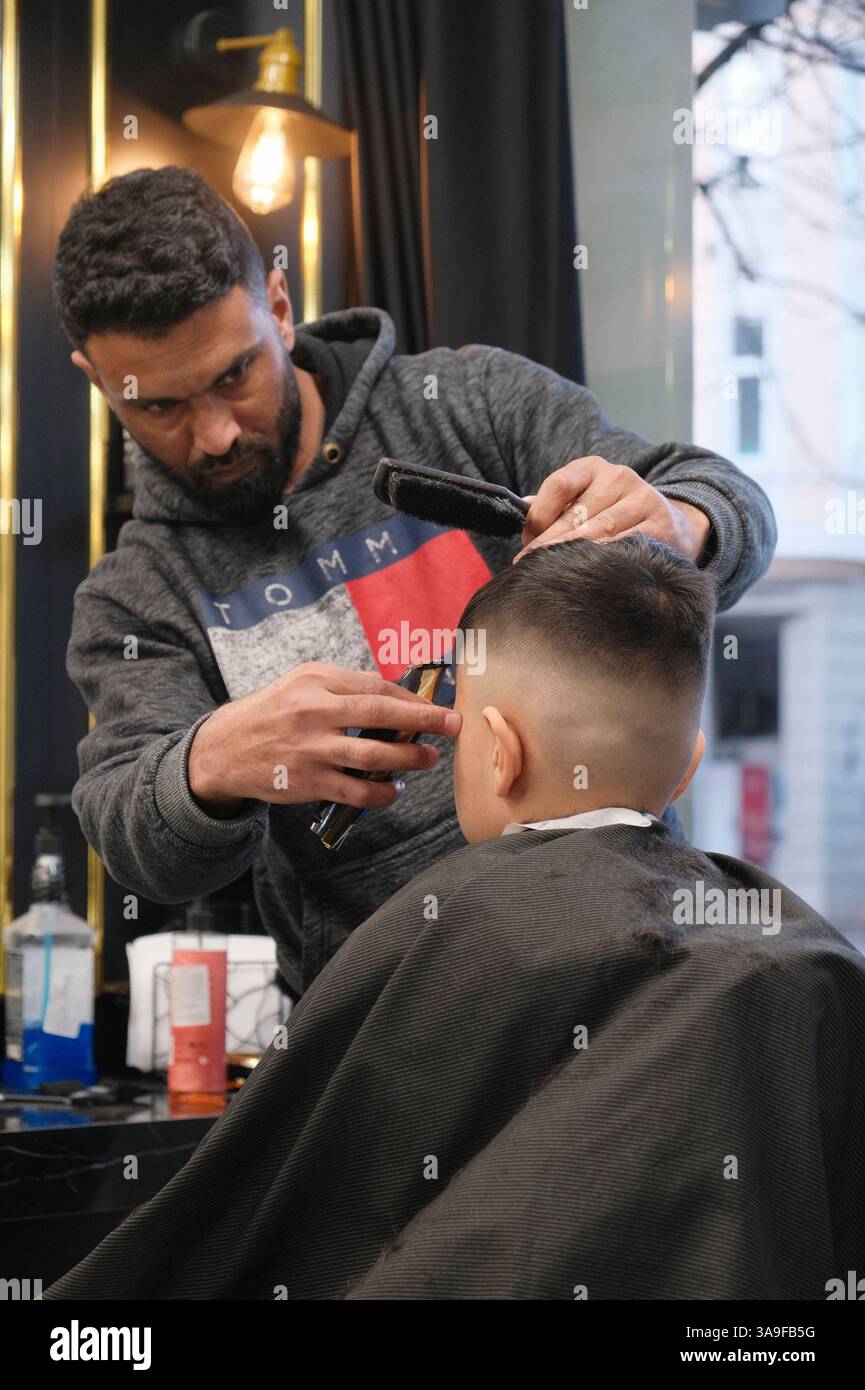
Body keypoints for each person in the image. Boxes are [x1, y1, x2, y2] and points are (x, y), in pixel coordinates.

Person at [42, 537, 865, 1301]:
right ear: (689, 767)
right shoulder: (799, 951)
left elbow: (260, 1220)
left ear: (498, 752)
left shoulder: (446, 930)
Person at [52, 164, 777, 1001]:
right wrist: (207, 763)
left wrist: (679, 523)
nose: (214, 434)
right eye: (159, 406)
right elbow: (134, 836)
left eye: (232, 375)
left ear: (279, 307)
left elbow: (728, 498)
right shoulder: (137, 592)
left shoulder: (472, 404)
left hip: (627, 971)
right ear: (98, 380)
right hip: (387, 1027)